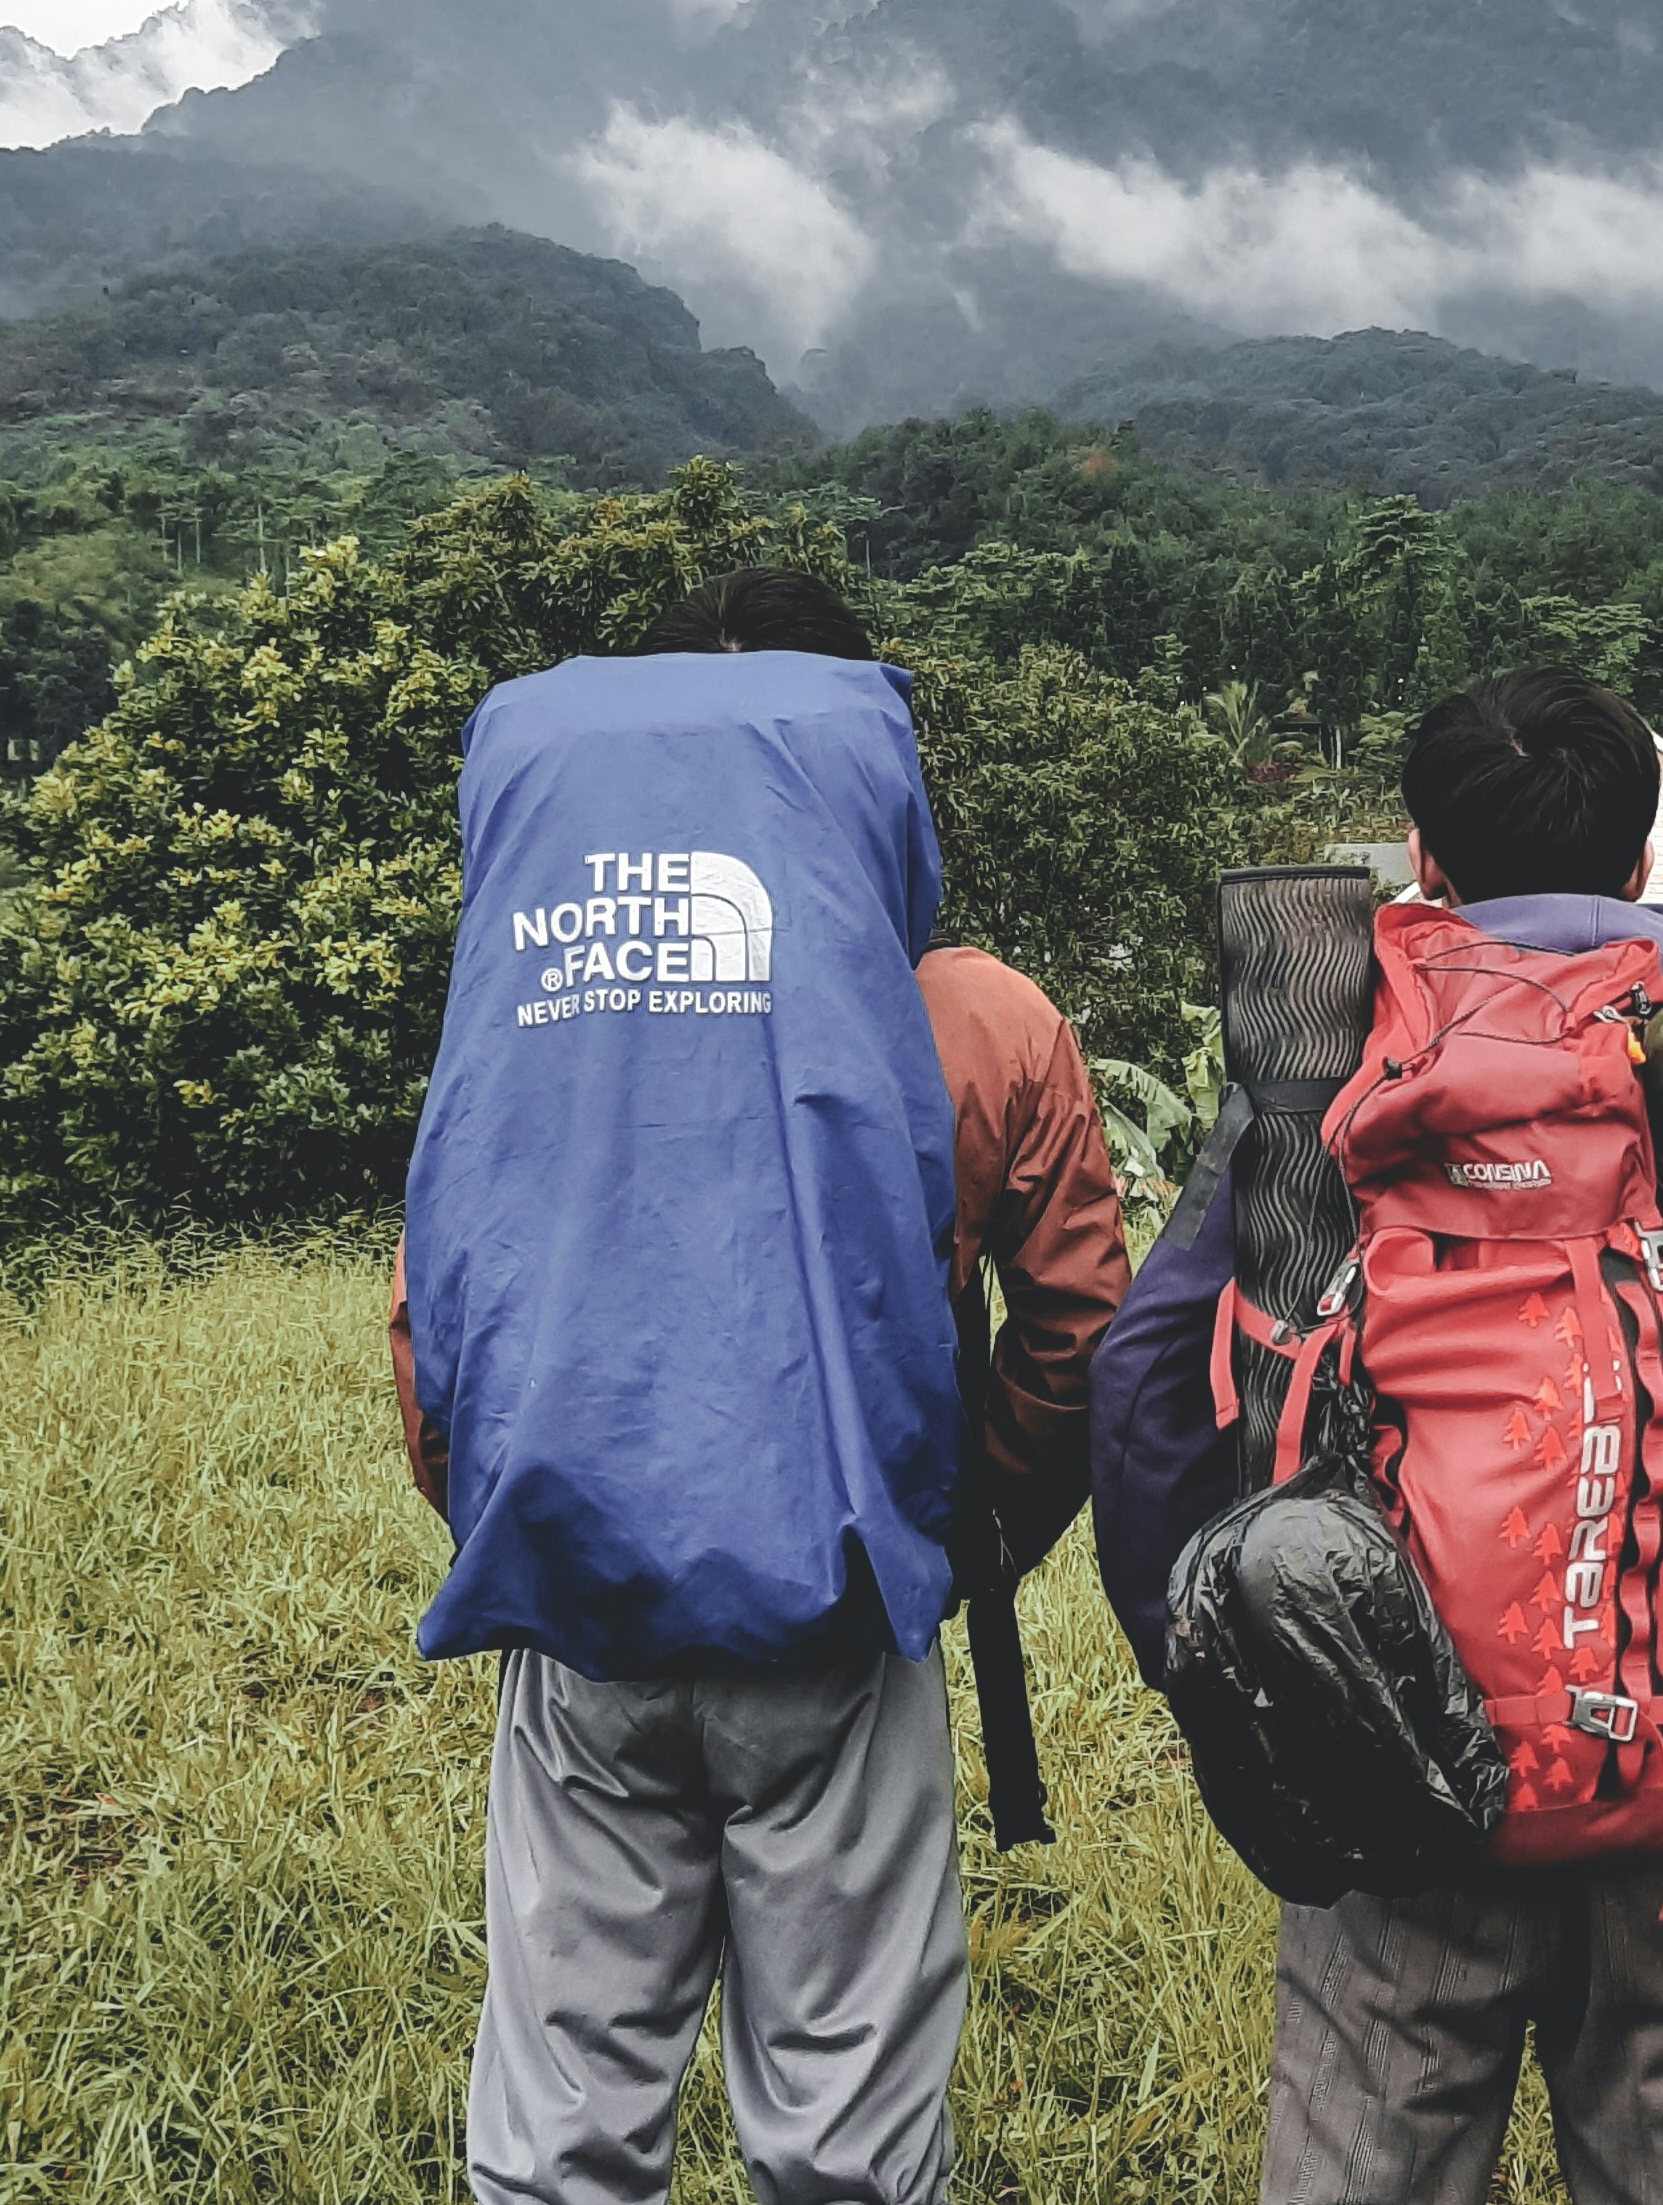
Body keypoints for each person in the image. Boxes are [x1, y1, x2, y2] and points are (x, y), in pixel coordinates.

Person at [1093, 664, 1663, 2205]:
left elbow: (1141, 1374)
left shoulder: (1330, 1062)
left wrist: (1218, 1664)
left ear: (1424, 858)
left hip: (1383, 1750)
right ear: (1643, 867)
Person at [391, 565, 1126, 2205]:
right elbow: (1079, 1333)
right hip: (841, 1608)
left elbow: (438, 1317)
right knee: (846, 2138)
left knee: (561, 2128)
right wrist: (960, 1528)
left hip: (578, 1605)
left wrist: (537, 1515)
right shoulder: (978, 1015)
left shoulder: (546, 983)